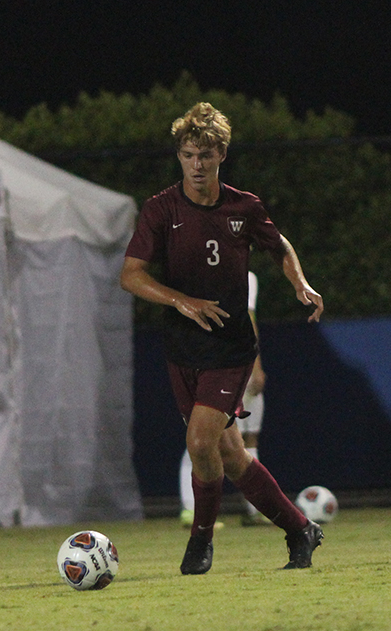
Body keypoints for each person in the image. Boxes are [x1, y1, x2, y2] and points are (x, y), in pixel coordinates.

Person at [119, 102, 325, 575]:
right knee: (231, 455)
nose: (197, 164)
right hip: (182, 346)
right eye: (189, 155)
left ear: (222, 155)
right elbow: (130, 276)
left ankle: (200, 543)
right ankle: (300, 530)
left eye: (206, 155)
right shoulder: (161, 208)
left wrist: (300, 283)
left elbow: (280, 246)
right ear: (180, 156)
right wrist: (181, 301)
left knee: (199, 440)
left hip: (230, 347)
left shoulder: (243, 206)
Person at [179, 271, 271, 528]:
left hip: (226, 364)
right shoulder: (238, 275)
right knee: (204, 437)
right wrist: (257, 365)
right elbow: (247, 320)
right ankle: (191, 508)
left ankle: (255, 508)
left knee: (249, 436)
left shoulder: (244, 274)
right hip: (222, 367)